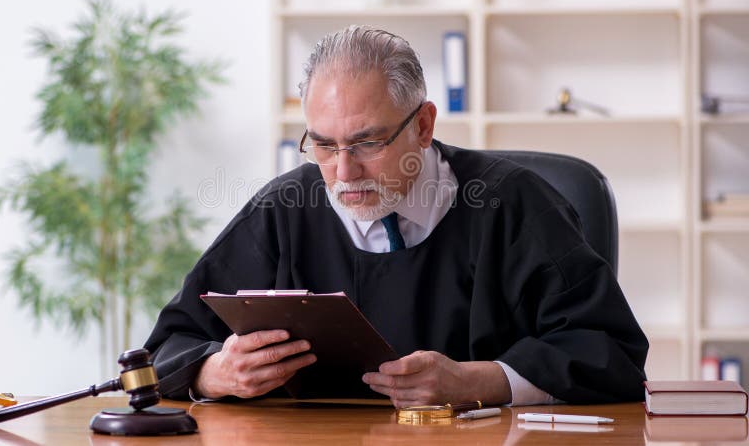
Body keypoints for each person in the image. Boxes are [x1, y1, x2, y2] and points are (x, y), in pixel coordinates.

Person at [144, 25, 648, 407]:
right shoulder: (282, 211)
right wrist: (214, 373)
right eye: (322, 145)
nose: (343, 171)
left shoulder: (514, 206)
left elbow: (613, 353)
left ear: (423, 124)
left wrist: (479, 381)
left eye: (367, 142)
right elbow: (169, 345)